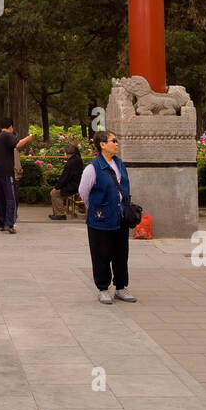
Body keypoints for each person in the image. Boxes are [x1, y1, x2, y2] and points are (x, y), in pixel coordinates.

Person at [78, 130, 136, 305]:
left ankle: (120, 287)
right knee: (101, 254)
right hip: (100, 219)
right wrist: (97, 208)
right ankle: (103, 289)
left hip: (120, 217)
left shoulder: (120, 164)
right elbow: (83, 192)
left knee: (121, 254)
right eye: (113, 141)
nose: (117, 144)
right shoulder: (93, 168)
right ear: (102, 144)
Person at [0, 118, 32, 234]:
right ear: (10, 127)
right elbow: (18, 144)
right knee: (11, 198)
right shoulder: (7, 135)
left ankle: (0, 223)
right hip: (6, 172)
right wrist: (28, 138)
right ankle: (9, 224)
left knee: (0, 199)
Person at [49, 143, 83, 220]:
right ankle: (57, 213)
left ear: (68, 153)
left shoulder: (71, 162)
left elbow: (65, 177)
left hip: (72, 186)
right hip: (76, 184)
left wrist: (56, 187)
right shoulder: (78, 159)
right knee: (55, 192)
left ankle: (60, 214)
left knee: (54, 193)